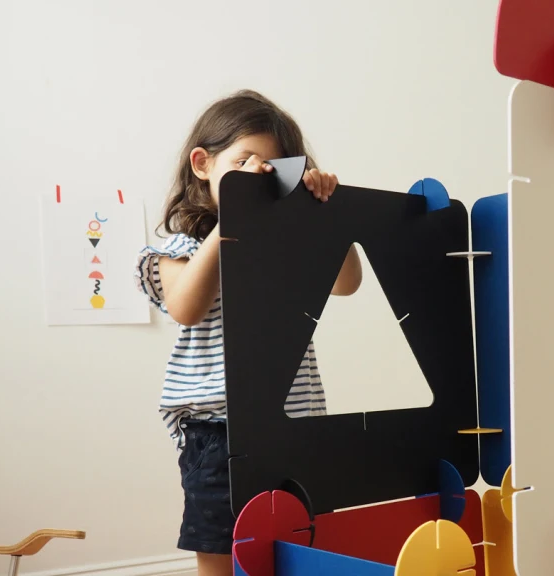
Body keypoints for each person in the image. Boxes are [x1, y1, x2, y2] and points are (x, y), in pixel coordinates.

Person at [134, 89, 362, 576]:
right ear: (203, 164)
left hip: (296, 426)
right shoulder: (181, 248)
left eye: (276, 170)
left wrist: (324, 214)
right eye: (245, 163)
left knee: (303, 546)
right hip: (219, 433)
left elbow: (348, 283)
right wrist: (233, 216)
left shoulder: (287, 246)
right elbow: (187, 307)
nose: (260, 177)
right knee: (223, 551)